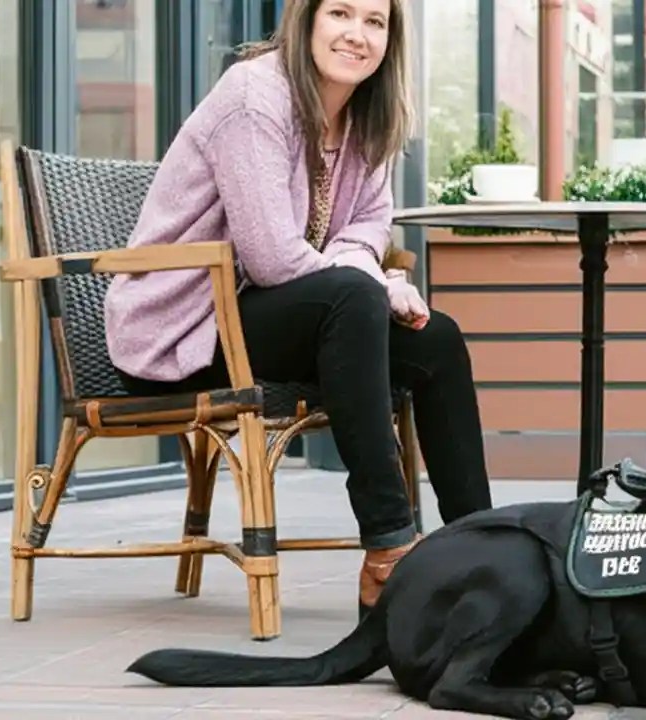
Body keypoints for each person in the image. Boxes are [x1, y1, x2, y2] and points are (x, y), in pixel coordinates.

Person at [103, 0, 493, 616]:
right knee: (357, 294)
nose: (357, 35)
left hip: (273, 318)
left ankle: (484, 551)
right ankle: (390, 544)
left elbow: (368, 225)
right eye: (340, 13)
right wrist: (375, 282)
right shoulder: (254, 97)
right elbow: (272, 258)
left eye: (375, 22)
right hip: (185, 333)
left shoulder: (368, 113)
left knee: (433, 338)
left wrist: (370, 273)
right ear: (305, 19)